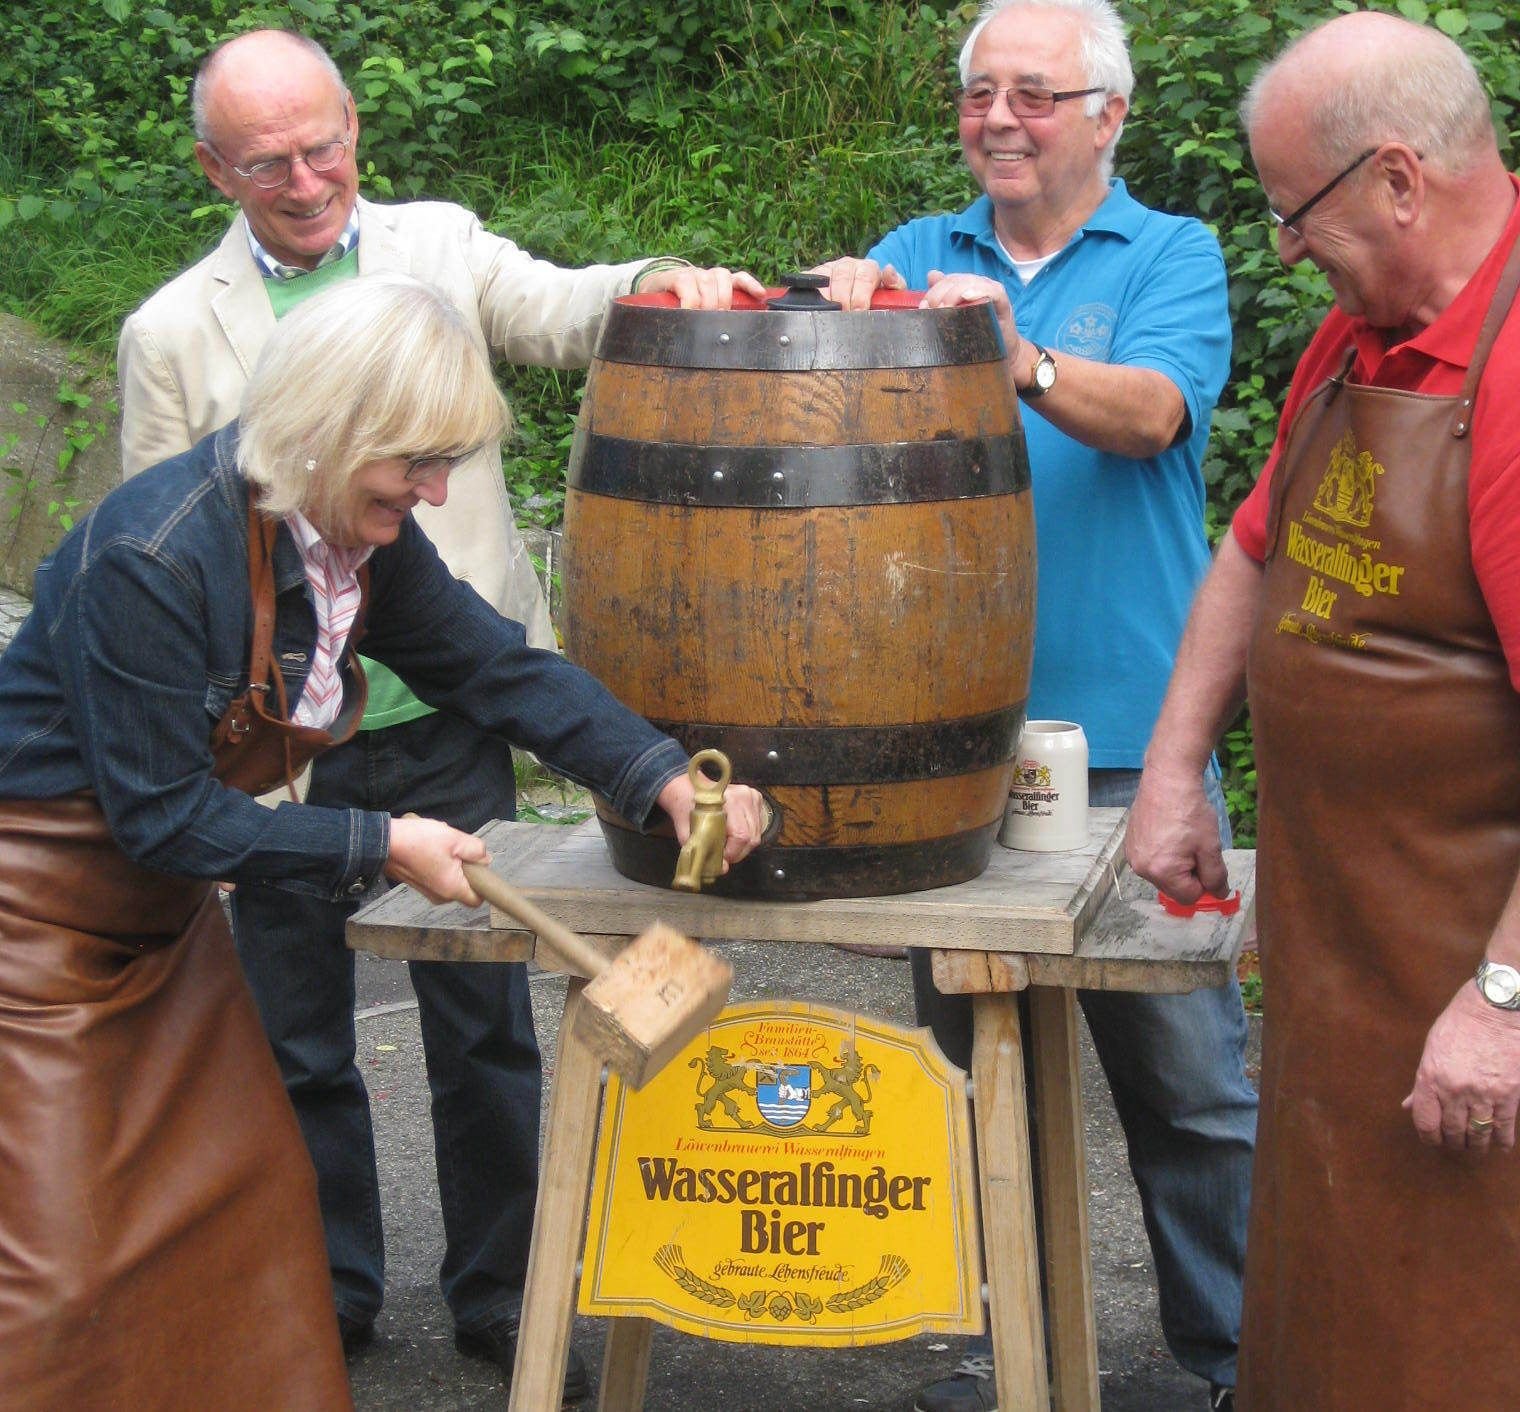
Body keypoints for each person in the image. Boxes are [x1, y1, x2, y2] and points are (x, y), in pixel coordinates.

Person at [115, 29, 763, 1395]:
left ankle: (504, 1296)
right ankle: (325, 1292)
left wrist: (660, 283)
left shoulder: (438, 248)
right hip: (282, 749)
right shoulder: (172, 341)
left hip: (440, 708)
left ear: (357, 127)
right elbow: (170, 610)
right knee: (296, 1032)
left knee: (480, 1022)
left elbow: (565, 308)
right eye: (268, 161)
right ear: (212, 170)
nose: (306, 179)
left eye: (325, 144)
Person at [815, 2, 1255, 1407]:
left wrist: (1023, 359)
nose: (1000, 117)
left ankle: (1246, 1354)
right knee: (971, 1077)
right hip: (941, 749)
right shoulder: (913, 257)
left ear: (1109, 114)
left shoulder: (1175, 254)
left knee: (1188, 1085)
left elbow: (1154, 416)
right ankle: (1006, 1358)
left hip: (1135, 746)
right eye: (978, 94)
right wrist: (808, 317)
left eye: (1037, 94)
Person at [1126, 11, 1520, 1409]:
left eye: (1297, 212)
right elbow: (1254, 548)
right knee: (1329, 1304)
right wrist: (1175, 769)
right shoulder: (1361, 339)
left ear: (1400, 181)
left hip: (1467, 982)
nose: (1284, 248)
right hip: (1342, 959)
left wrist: (1502, 999)